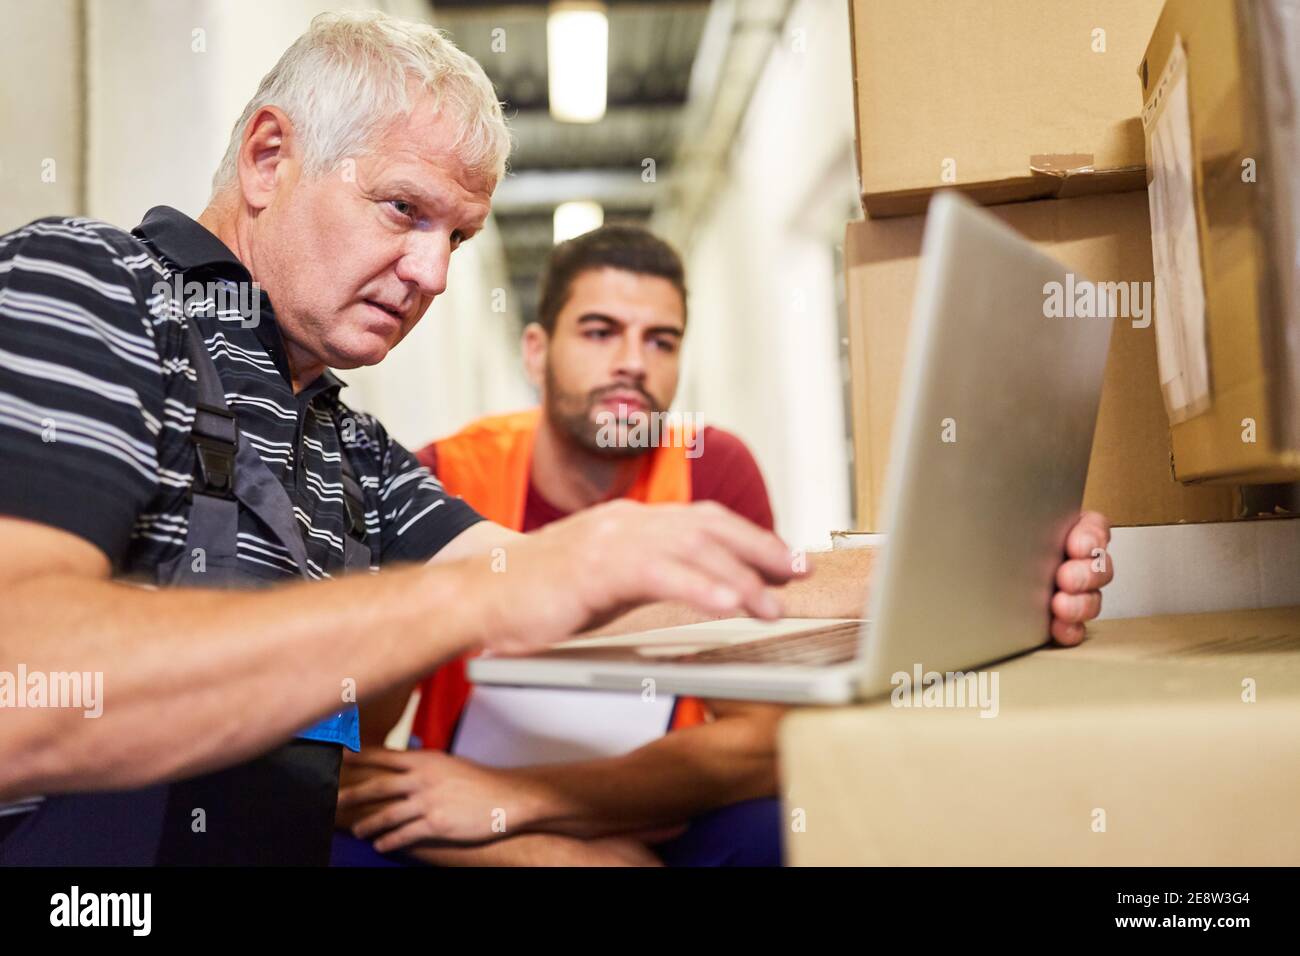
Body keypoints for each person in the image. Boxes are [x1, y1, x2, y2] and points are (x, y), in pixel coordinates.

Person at [0, 11, 804, 866]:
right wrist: (470, 602)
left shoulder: (352, 446)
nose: (435, 275)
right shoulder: (90, 288)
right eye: (402, 209)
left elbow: (579, 585)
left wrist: (894, 577)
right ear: (269, 159)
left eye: (455, 236)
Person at [332, 226, 1116, 866]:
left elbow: (767, 740)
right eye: (600, 332)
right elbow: (356, 751)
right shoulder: (446, 475)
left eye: (662, 340)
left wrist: (550, 804)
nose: (633, 361)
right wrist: (530, 842)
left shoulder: (714, 467)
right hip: (460, 805)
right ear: (536, 351)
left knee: (785, 823)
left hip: (653, 802)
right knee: (332, 844)